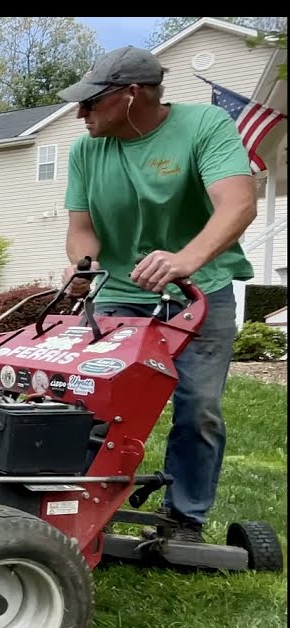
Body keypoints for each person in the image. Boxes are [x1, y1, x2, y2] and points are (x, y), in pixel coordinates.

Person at [58, 46, 258, 543]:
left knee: (198, 407)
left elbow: (238, 205)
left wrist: (186, 259)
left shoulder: (204, 126)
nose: (80, 113)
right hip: (118, 296)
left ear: (131, 95)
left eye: (91, 103)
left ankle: (183, 517)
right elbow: (82, 229)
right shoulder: (87, 150)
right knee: (89, 401)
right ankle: (74, 505)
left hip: (198, 293)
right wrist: (85, 266)